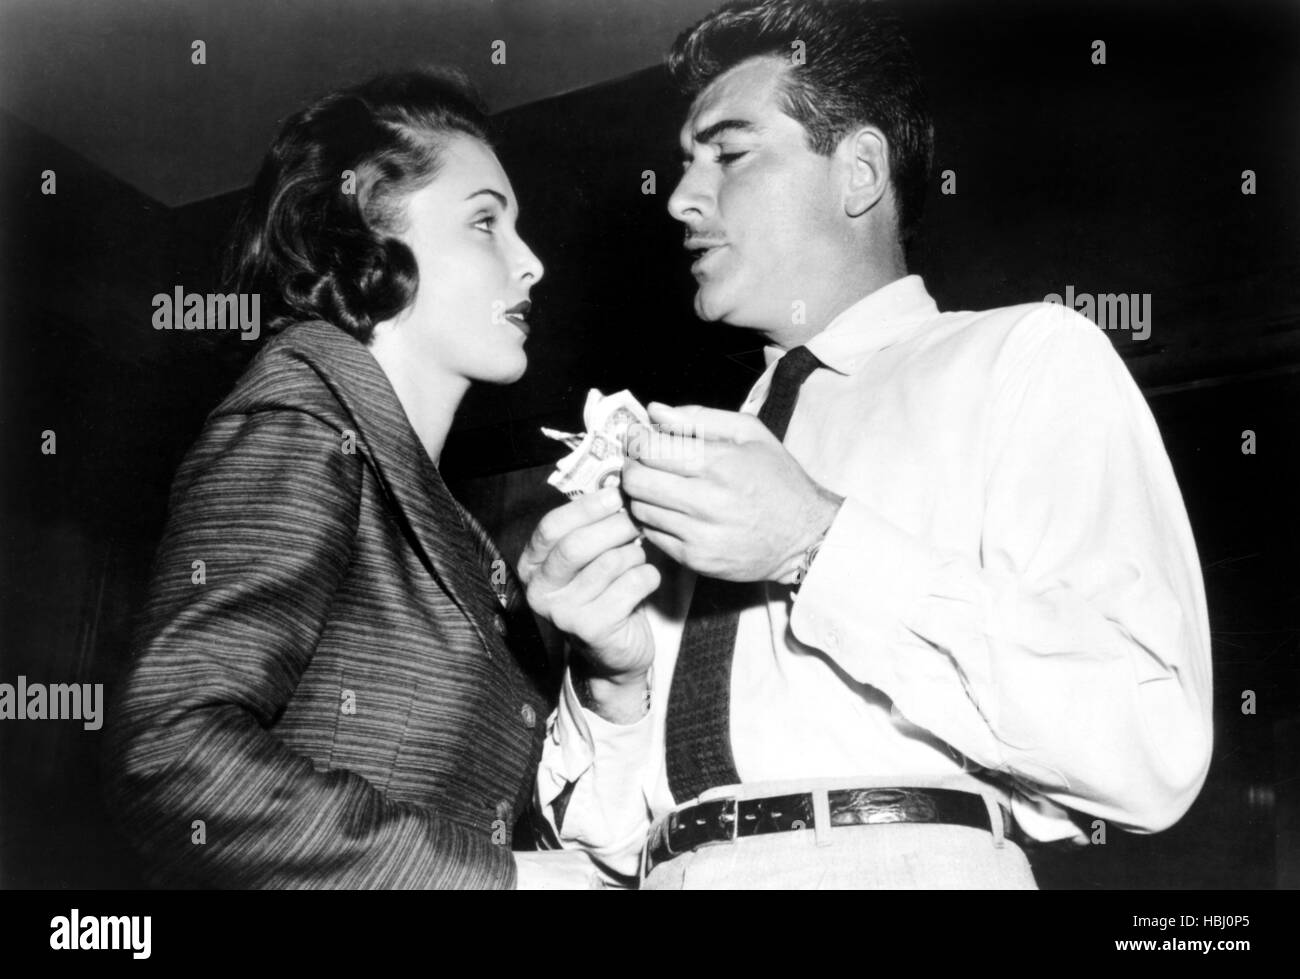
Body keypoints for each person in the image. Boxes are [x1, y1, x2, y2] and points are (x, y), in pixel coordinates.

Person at [521, 0, 1213, 888]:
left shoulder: (1025, 357)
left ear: (859, 173)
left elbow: (1151, 742)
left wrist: (818, 541)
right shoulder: (696, 454)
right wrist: (611, 683)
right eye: (686, 166)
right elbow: (616, 846)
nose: (684, 200)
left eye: (729, 154)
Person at [105, 69, 599, 889]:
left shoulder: (429, 503)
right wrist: (505, 882)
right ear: (370, 235)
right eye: (485, 222)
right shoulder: (302, 410)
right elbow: (171, 752)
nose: (532, 262)